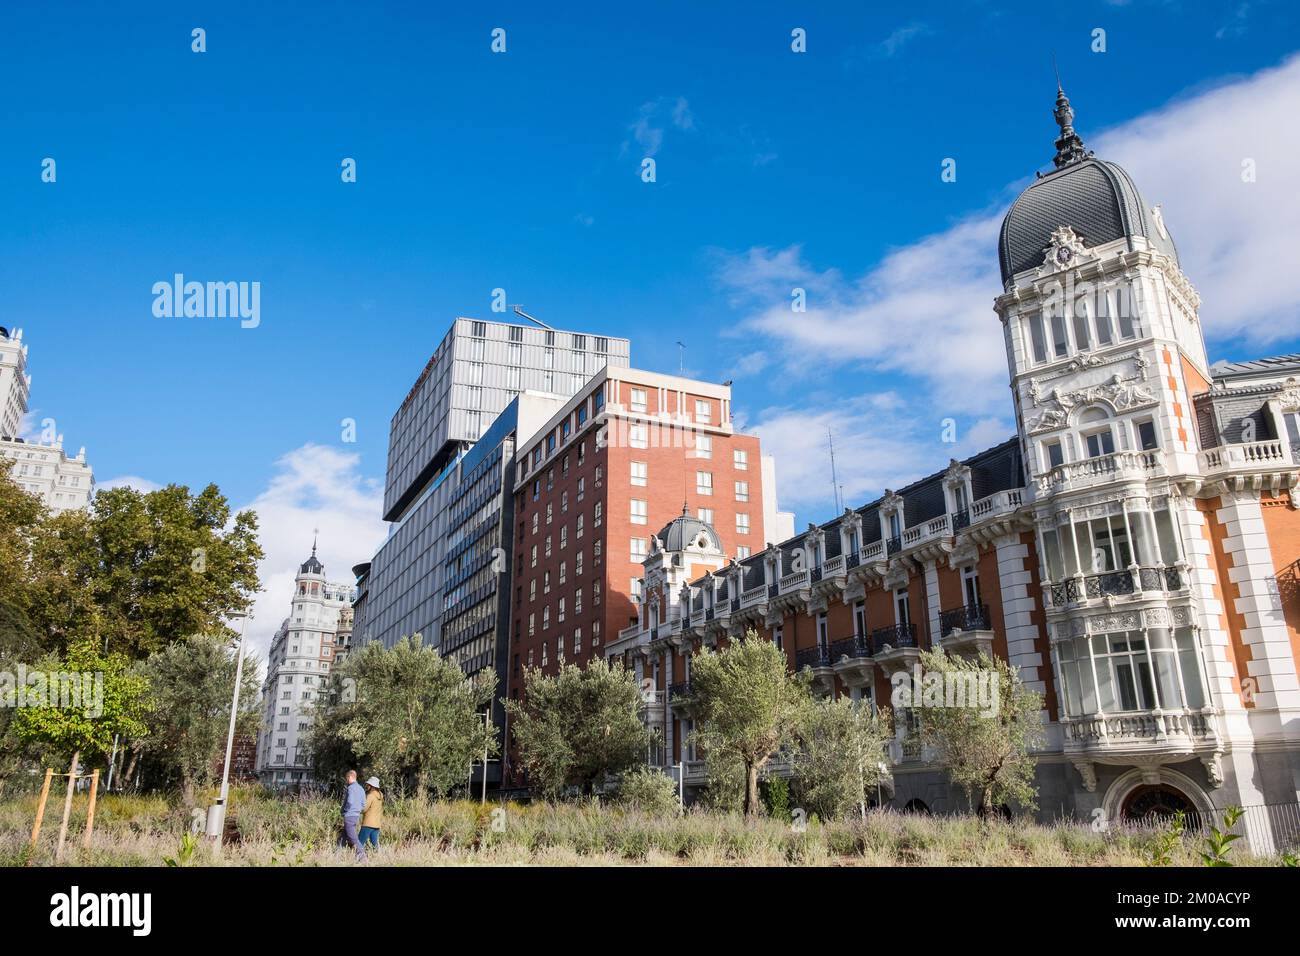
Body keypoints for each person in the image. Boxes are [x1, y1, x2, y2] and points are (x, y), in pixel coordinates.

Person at [340, 769, 368, 862]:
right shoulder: (361, 789)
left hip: (349, 816)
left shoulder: (350, 788)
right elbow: (364, 804)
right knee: (342, 837)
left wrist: (345, 810)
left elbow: (350, 801)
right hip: (356, 816)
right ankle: (336, 854)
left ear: (350, 777)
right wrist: (357, 810)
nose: (346, 780)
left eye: (347, 778)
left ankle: (362, 857)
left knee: (353, 838)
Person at [360, 777, 384, 852]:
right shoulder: (380, 795)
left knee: (359, 842)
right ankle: (380, 858)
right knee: (375, 844)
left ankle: (358, 858)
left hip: (368, 823)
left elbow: (364, 809)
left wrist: (357, 809)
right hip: (377, 824)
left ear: (372, 786)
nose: (366, 785)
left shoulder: (370, 796)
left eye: (368, 784)